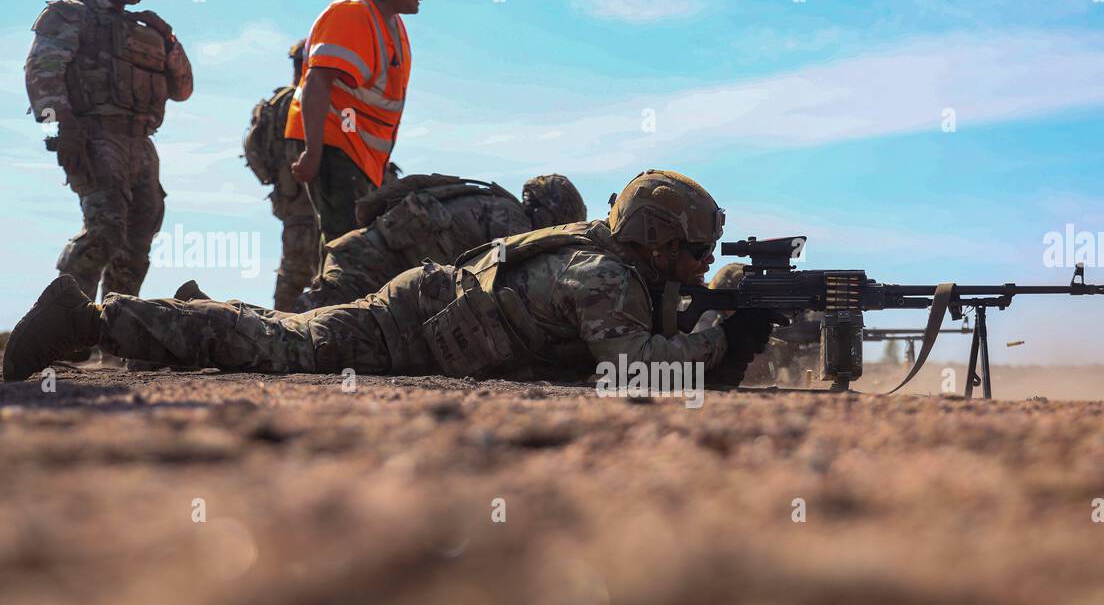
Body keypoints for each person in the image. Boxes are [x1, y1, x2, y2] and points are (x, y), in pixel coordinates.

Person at [3, 171, 775, 387]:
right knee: (284, 349)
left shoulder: (614, 265)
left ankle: (196, 314)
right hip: (406, 328)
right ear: (654, 239)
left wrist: (716, 322)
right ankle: (95, 321)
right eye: (694, 250)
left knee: (285, 335)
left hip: (427, 316)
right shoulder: (603, 274)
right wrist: (716, 339)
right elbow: (632, 370)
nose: (701, 264)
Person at [25, 0, 193, 305]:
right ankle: (65, 321)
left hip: (142, 144)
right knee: (104, 230)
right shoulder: (71, 14)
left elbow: (183, 89)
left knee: (138, 240)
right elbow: (42, 72)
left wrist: (170, 39)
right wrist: (59, 130)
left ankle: (117, 335)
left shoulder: (148, 31)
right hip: (95, 135)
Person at [287, 0, 439, 255]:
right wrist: (313, 153)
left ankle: (330, 301)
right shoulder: (353, 13)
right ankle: (330, 302)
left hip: (359, 157)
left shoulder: (391, 24)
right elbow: (317, 82)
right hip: (335, 148)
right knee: (348, 252)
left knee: (352, 249)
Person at [297, 173, 588, 310]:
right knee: (304, 326)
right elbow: (501, 288)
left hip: (356, 253)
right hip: (363, 267)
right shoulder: (512, 222)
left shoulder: (494, 202)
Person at [244, 41, 318, 311]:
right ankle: (283, 332)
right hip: (309, 202)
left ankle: (281, 330)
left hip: (292, 203)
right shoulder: (300, 103)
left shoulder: (278, 103)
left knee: (294, 272)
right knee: (302, 273)